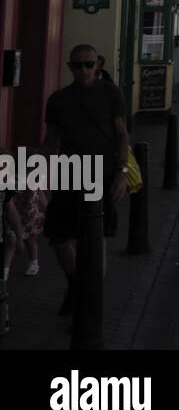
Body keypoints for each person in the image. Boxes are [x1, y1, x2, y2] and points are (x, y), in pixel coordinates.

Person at [41, 44, 130, 314]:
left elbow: (122, 135)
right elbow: (51, 142)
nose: (84, 70)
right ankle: (80, 288)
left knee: (96, 238)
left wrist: (121, 173)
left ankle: (87, 302)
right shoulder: (58, 99)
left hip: (101, 174)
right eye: (78, 65)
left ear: (98, 65)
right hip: (68, 173)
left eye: (89, 64)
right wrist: (37, 176)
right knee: (58, 237)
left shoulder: (111, 94)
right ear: (70, 67)